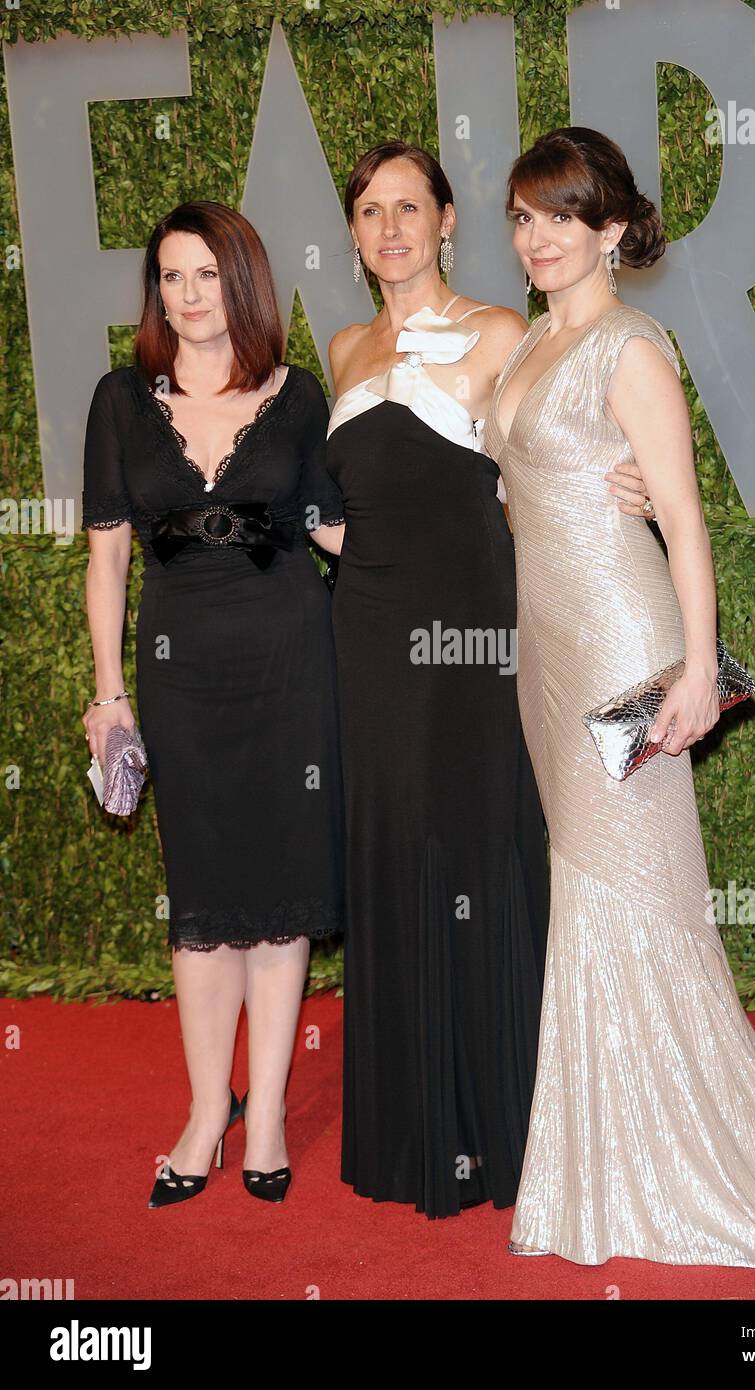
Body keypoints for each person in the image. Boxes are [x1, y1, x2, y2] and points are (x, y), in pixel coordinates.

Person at [483, 126, 755, 1266]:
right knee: (588, 886)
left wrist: (695, 670)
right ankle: (609, 1150)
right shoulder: (533, 342)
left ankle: (665, 1158)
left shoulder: (632, 346)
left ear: (613, 229)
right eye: (524, 218)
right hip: (550, 647)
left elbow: (682, 518)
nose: (537, 238)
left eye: (559, 218)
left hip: (628, 646)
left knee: (630, 886)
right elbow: (530, 492)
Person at [316, 140, 651, 1218]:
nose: (391, 228)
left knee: (477, 845)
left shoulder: (503, 332)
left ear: (450, 221)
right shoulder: (341, 349)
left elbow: (544, 442)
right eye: (370, 210)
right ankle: (412, 1130)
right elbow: (349, 505)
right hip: (366, 641)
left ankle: (501, 1127)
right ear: (355, 230)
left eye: (410, 207)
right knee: (395, 846)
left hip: (471, 644)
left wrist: (622, 476)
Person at [81, 201, 346, 1207]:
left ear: (243, 280)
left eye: (206, 275)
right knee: (202, 906)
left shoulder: (300, 393)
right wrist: (109, 693)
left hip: (291, 662)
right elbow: (108, 554)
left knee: (277, 905)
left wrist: (451, 546)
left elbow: (331, 528)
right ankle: (206, 1111)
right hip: (177, 669)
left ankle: (268, 1112)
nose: (188, 296)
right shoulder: (120, 399)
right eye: (171, 277)